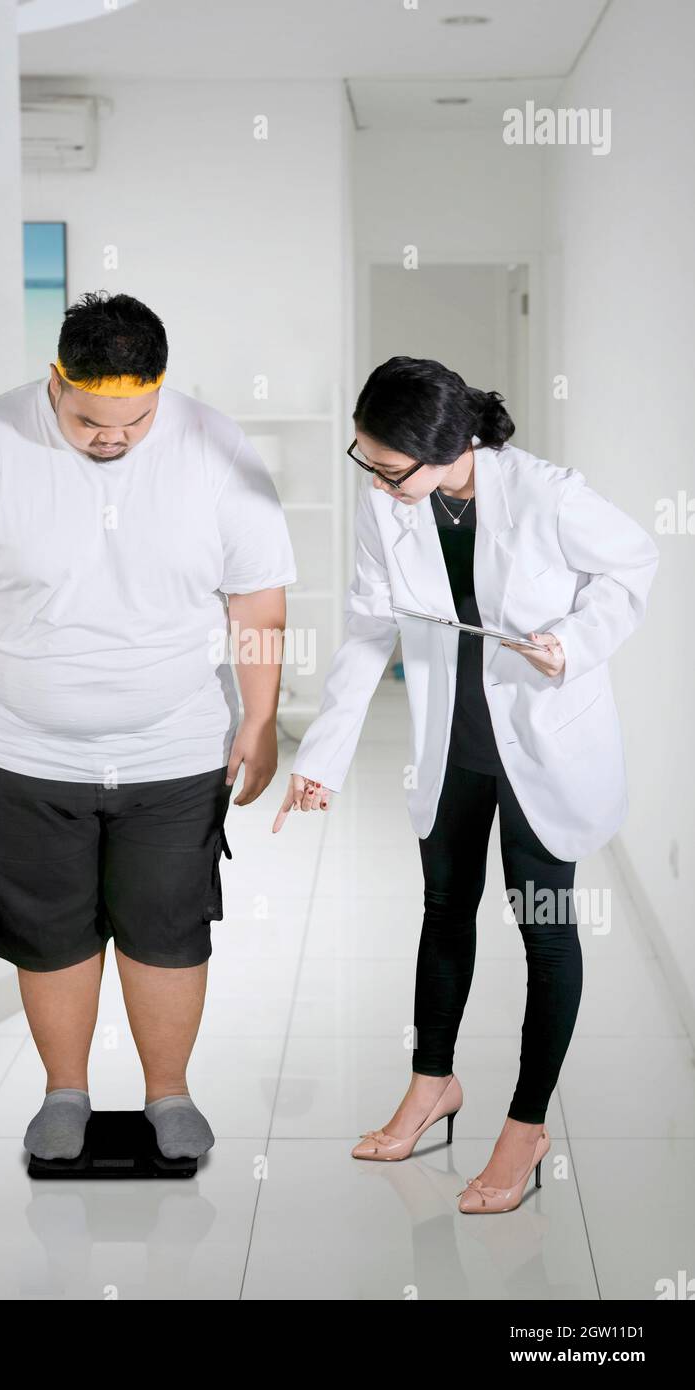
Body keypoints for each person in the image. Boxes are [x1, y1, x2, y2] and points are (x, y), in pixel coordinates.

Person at [0, 291, 296, 1163]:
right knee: (49, 928)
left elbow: (258, 592)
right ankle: (63, 1093)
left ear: (161, 391)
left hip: (175, 748)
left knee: (169, 925)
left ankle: (169, 1095)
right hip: (19, 749)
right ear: (54, 382)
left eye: (135, 421)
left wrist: (260, 715)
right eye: (88, 422)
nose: (112, 438)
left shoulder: (216, 448)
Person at [272, 355, 659, 1214]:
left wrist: (575, 640)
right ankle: (432, 1084)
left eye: (389, 465)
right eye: (365, 459)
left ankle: (524, 1128)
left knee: (545, 928)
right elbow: (371, 628)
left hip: (540, 740)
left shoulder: (546, 495)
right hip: (451, 742)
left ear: (448, 447)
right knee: (444, 909)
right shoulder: (389, 503)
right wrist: (322, 758)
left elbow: (635, 562)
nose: (375, 479)